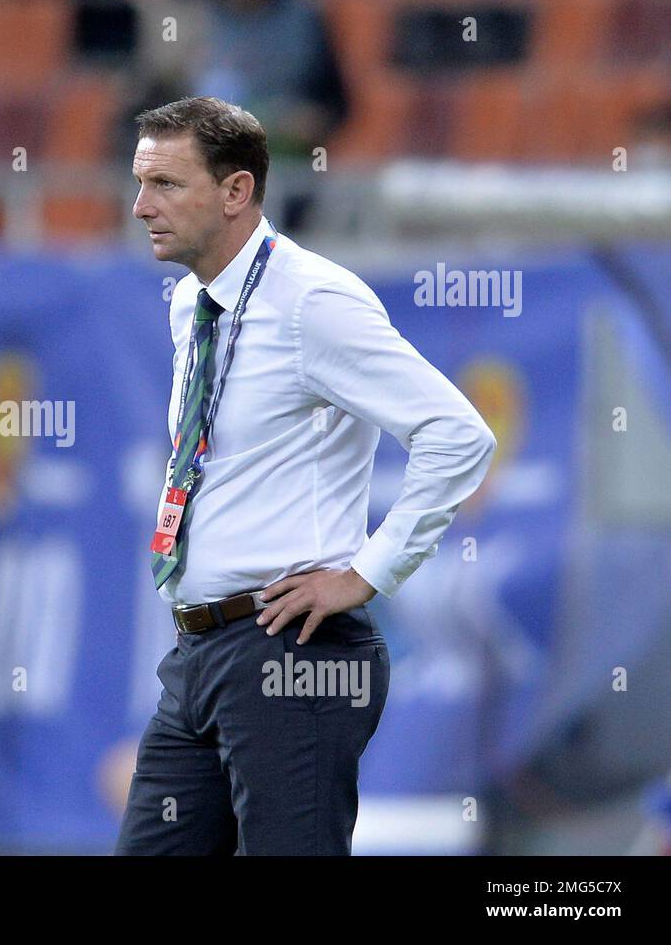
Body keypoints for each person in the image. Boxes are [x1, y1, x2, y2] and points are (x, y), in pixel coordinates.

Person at [116, 97, 496, 855]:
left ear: (236, 193)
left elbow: (458, 433)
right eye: (140, 182)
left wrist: (365, 573)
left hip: (293, 651)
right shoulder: (193, 300)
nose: (140, 206)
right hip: (198, 652)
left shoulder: (312, 300)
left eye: (165, 184)